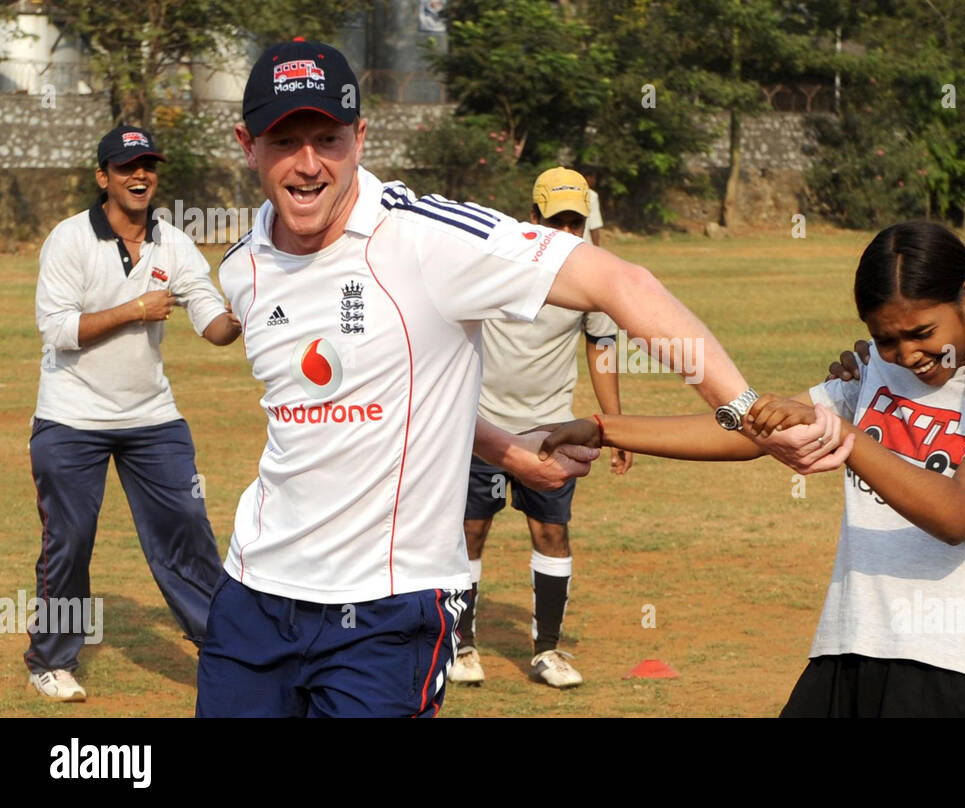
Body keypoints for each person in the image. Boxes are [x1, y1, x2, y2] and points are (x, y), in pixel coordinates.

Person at [199, 39, 822, 717]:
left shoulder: (426, 238)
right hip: (254, 596)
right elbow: (365, 400)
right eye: (285, 140)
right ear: (247, 144)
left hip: (386, 611)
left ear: (361, 137)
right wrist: (505, 449)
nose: (310, 164)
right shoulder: (242, 266)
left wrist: (744, 409)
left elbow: (621, 283)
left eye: (330, 138)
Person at [542, 221, 965, 716]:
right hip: (852, 645)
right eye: (886, 339)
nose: (907, 354)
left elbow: (956, 514)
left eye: (922, 332)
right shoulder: (873, 373)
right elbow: (754, 432)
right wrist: (607, 427)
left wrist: (844, 434)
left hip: (961, 666)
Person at [28, 125, 243, 702]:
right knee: (69, 541)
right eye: (126, 167)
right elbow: (57, 330)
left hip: (152, 418)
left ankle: (223, 648)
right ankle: (51, 659)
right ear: (104, 178)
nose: (140, 175)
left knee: (187, 535)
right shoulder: (70, 240)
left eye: (147, 165)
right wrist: (134, 310)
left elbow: (207, 313)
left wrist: (239, 321)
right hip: (71, 418)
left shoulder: (173, 243)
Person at [451, 168, 630, 689]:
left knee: (552, 533)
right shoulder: (496, 262)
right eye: (557, 221)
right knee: (468, 533)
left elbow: (602, 347)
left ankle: (548, 651)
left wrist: (612, 428)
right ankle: (461, 646)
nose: (566, 233)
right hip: (481, 428)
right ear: (533, 218)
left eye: (575, 223)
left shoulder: (591, 278)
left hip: (553, 431)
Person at [580, 167, 603, 247]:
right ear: (587, 177)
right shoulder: (591, 195)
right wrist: (597, 249)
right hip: (585, 245)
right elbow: (594, 225)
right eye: (594, 178)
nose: (595, 181)